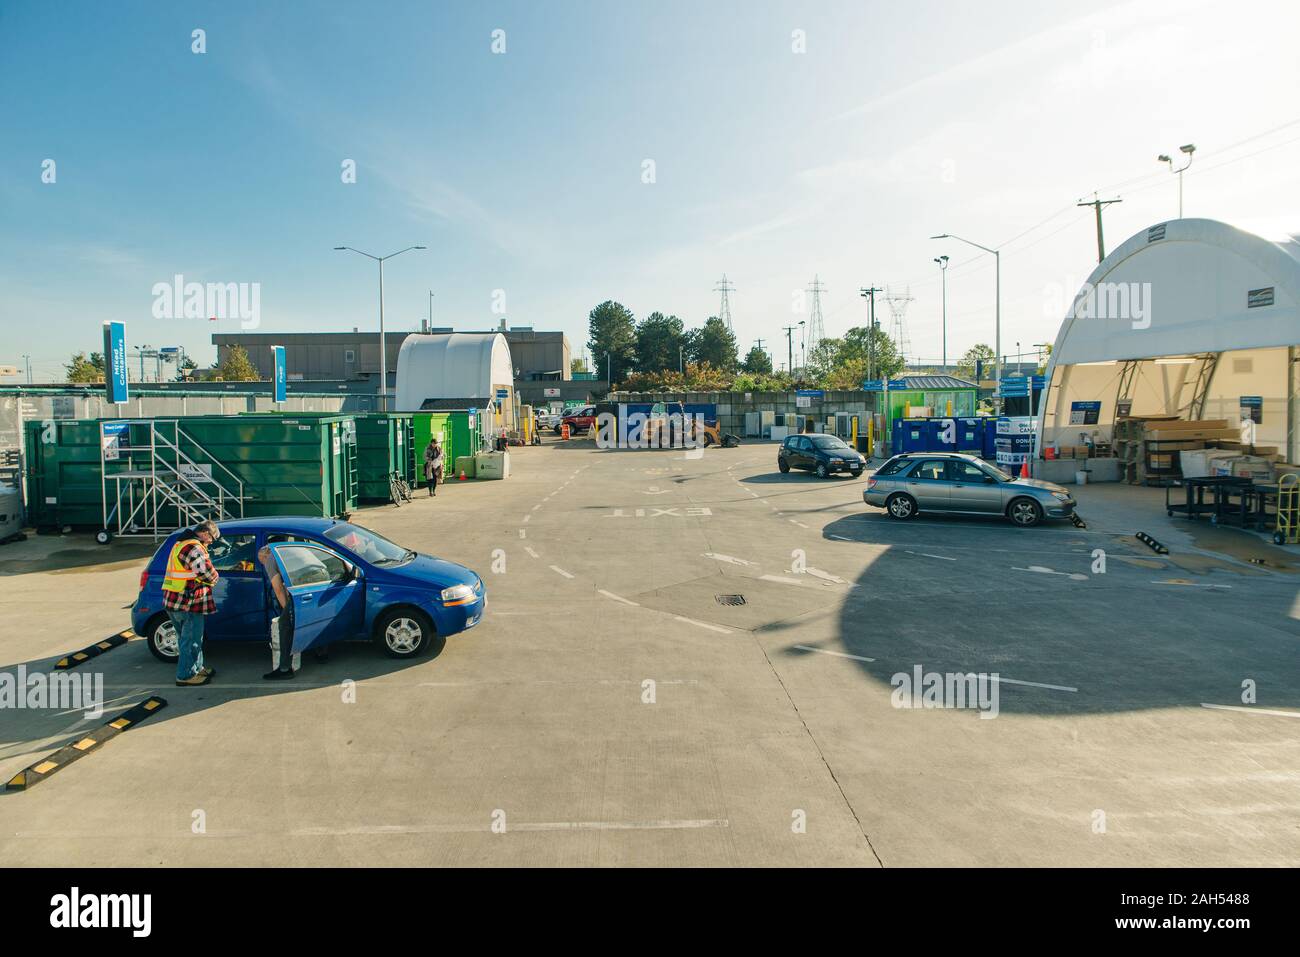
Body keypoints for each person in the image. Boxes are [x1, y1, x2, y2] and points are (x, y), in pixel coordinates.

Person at [162, 519, 221, 686]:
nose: (211, 542)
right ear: (204, 533)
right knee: (191, 640)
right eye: (212, 538)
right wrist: (215, 576)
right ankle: (185, 675)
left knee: (189, 638)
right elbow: (208, 574)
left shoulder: (181, 544)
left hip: (176, 601)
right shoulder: (193, 548)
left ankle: (197, 668)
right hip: (187, 602)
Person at [258, 545, 296, 681]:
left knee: (285, 625)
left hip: (305, 584)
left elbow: (278, 588)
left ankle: (285, 669)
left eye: (261, 562)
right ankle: (322, 653)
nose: (263, 565)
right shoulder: (285, 551)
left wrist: (288, 610)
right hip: (317, 581)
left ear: (264, 556)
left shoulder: (269, 559)